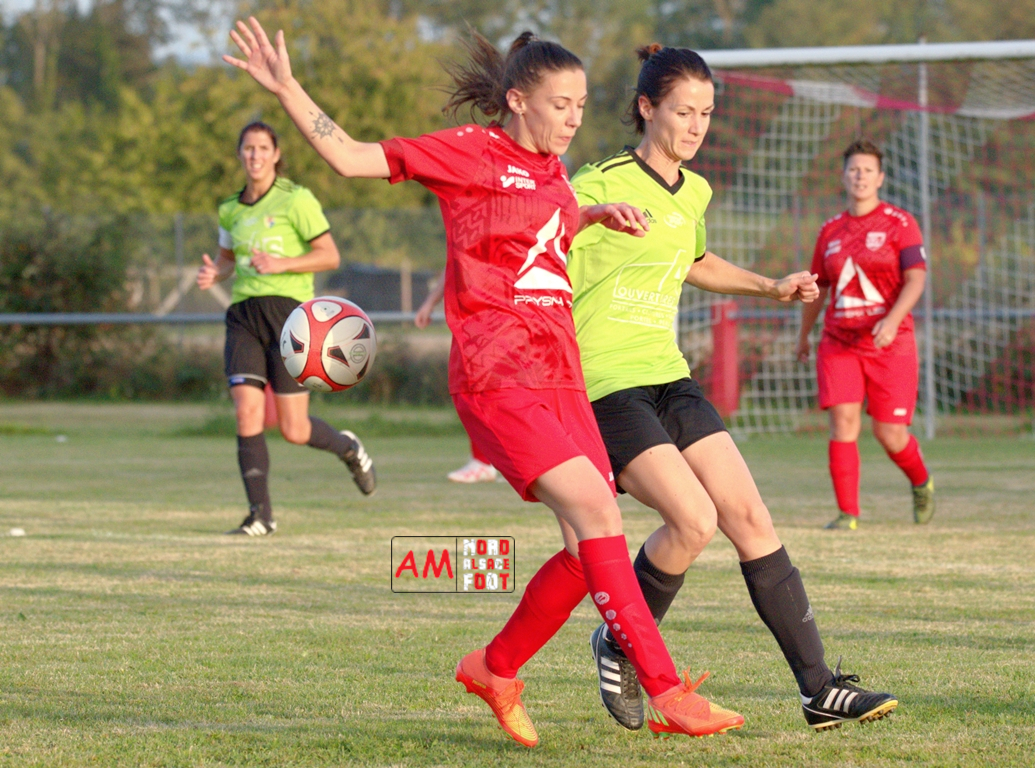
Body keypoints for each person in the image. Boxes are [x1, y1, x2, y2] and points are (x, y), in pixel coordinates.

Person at [223, 17, 745, 746]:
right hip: (499, 375)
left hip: (561, 373)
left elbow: (543, 237)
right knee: (600, 513)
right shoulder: (469, 154)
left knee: (578, 545)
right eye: (561, 103)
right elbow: (348, 156)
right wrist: (286, 87)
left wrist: (593, 213)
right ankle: (665, 690)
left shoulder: (556, 177)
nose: (573, 118)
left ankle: (496, 668)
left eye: (582, 106)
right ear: (518, 98)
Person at [569, 44, 898, 732]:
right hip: (605, 385)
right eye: (683, 111)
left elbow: (694, 259)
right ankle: (620, 639)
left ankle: (818, 688)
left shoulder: (694, 191)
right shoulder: (597, 183)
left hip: (668, 377)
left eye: (707, 113)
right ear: (646, 107)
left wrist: (770, 284)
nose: (696, 125)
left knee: (749, 517)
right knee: (694, 522)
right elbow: (537, 242)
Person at [197, 120, 376, 536]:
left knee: (294, 430)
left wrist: (282, 263)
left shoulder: (296, 199)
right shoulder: (230, 208)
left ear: (276, 154)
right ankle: (260, 515)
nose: (255, 155)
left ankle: (348, 448)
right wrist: (214, 273)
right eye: (248, 148)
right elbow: (227, 259)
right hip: (243, 316)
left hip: (291, 321)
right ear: (240, 154)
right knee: (247, 412)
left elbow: (329, 255)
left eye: (263, 148)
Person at [796, 139, 936, 530]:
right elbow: (818, 288)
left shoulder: (900, 223)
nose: (860, 176)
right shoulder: (830, 231)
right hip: (839, 341)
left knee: (890, 433)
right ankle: (848, 515)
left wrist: (891, 320)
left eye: (868, 170)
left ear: (881, 177)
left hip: (890, 343)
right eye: (853, 169)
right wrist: (803, 336)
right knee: (843, 422)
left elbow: (916, 278)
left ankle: (921, 482)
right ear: (844, 176)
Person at [414, 269, 500, 483]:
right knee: (474, 391)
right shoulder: (464, 237)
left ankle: (489, 462)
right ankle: (488, 461)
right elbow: (453, 263)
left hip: (501, 318)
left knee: (490, 392)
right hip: (471, 321)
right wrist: (429, 303)